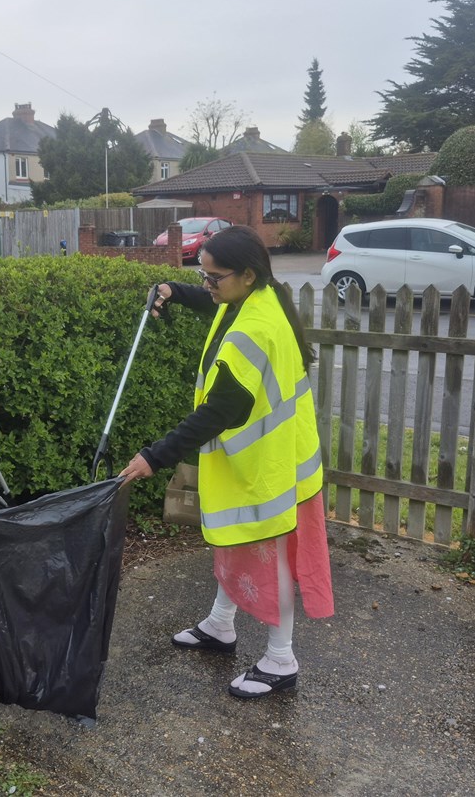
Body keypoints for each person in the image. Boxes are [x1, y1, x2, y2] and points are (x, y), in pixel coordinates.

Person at [120, 225, 333, 699]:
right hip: (262, 458)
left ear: (248, 275)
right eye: (203, 274)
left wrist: (153, 457)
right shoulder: (255, 298)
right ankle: (221, 625)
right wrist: (178, 292)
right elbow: (215, 304)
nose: (208, 284)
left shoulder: (254, 328)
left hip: (272, 467)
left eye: (214, 277)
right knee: (233, 544)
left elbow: (220, 412)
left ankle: (281, 659)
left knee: (270, 556)